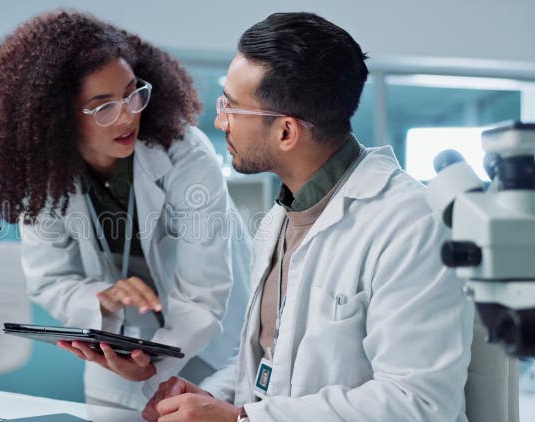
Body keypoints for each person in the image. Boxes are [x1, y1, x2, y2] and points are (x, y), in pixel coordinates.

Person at [142, 12, 473, 422]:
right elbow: (269, 368)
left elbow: (418, 403)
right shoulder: (279, 220)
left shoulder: (411, 224)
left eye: (233, 106)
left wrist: (239, 418)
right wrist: (208, 396)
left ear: (286, 132)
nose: (219, 120)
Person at [0, 10, 250, 410]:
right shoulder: (46, 177)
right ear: (58, 118)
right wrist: (102, 300)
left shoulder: (183, 154)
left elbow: (203, 293)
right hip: (119, 355)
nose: (127, 115)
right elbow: (50, 280)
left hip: (214, 344)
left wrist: (153, 363)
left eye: (132, 92)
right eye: (103, 106)